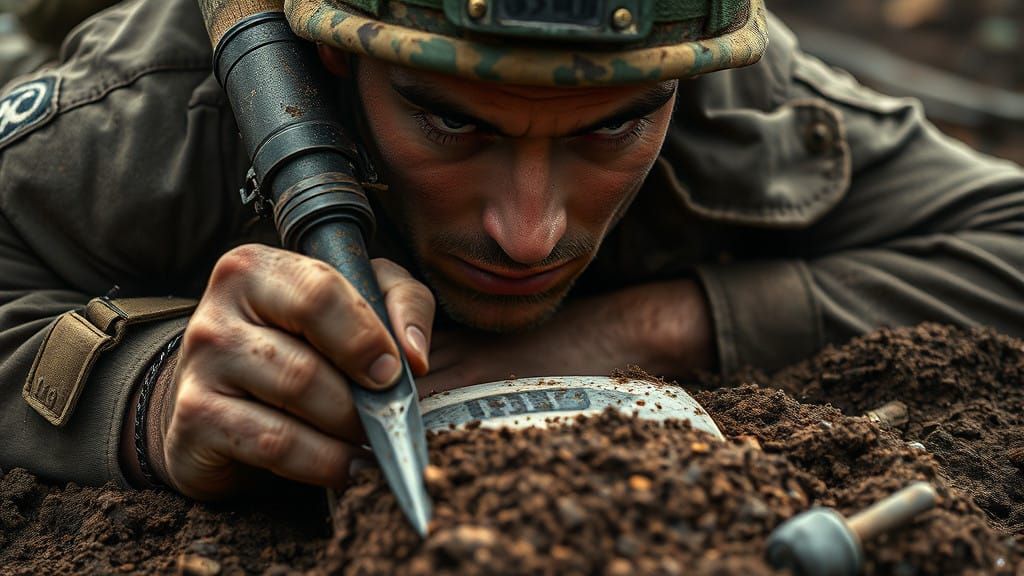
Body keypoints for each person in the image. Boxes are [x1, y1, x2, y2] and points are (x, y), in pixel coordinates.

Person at [0, 0, 1021, 499]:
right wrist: (148, 392)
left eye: (608, 127)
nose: (527, 233)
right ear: (331, 57)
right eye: (453, 125)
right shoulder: (150, 112)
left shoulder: (716, 80)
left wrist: (649, 328)